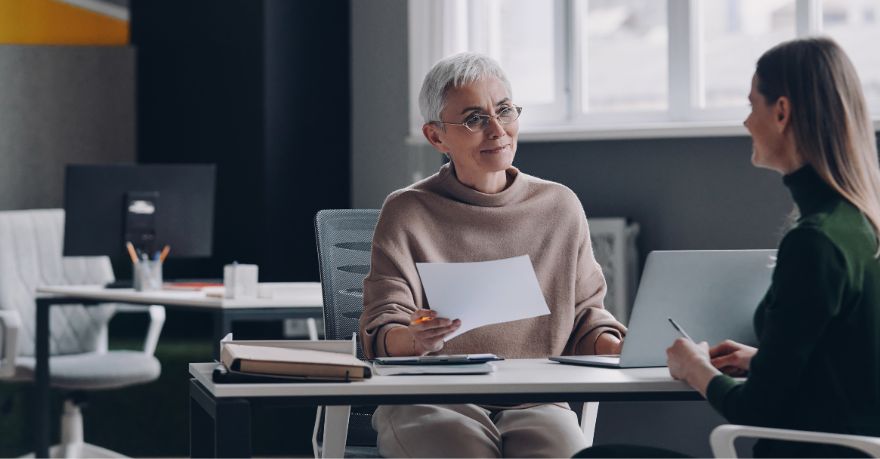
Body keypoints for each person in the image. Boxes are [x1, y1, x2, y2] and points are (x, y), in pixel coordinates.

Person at [359, 52, 627, 458]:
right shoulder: (406, 211)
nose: (498, 130)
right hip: (430, 399)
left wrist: (624, 346)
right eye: (474, 119)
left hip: (537, 401)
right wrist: (412, 339)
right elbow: (383, 324)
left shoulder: (559, 206)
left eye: (504, 110)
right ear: (436, 137)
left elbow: (587, 320)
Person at [665, 37, 880, 457]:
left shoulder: (813, 243)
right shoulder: (862, 226)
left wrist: (694, 369)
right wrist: (762, 361)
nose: (746, 123)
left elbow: (756, 408)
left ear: (781, 112)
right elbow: (852, 369)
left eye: (751, 106)